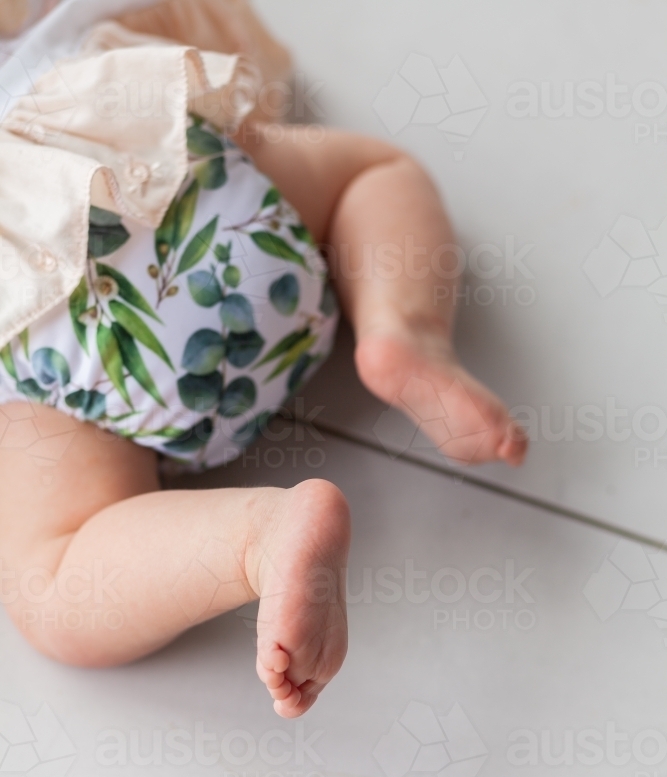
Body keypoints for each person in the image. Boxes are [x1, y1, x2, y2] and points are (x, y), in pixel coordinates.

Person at [0, 0, 528, 718]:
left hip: (54, 347)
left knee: (56, 579)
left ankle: (256, 538)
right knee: (371, 174)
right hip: (184, 188)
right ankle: (400, 330)